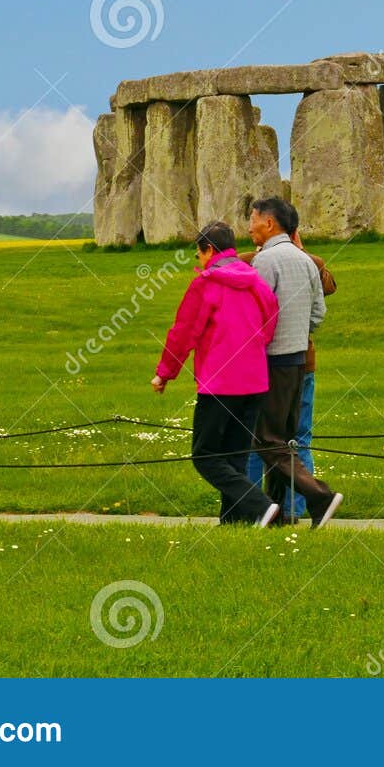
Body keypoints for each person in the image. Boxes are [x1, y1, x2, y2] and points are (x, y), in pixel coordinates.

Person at [151, 222, 282, 528]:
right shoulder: (255, 282)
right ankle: (232, 523)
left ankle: (262, 507)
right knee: (234, 454)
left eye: (198, 253)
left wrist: (165, 373)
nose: (199, 260)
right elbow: (271, 318)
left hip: (220, 383)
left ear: (208, 249)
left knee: (205, 456)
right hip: (255, 381)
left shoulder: (206, 284)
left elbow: (184, 332)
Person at [242, 197, 342, 527]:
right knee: (286, 440)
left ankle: (319, 497)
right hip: (299, 359)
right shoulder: (305, 260)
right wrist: (298, 334)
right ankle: (280, 514)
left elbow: (255, 315)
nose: (249, 227)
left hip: (271, 362)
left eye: (253, 219)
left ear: (269, 223)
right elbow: (318, 313)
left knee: (266, 440)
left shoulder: (265, 262)